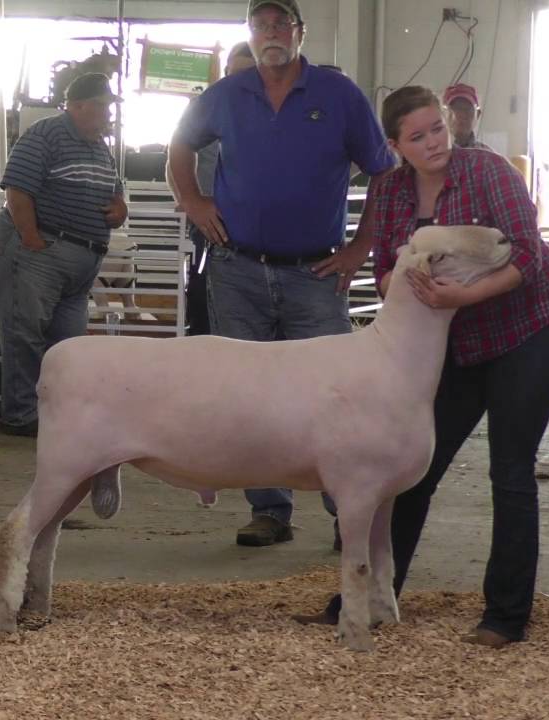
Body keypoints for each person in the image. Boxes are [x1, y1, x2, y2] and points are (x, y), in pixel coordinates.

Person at [292, 85, 549, 647]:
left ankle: (504, 616)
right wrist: (403, 286)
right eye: (418, 135)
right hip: (458, 344)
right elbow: (385, 270)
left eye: (438, 129)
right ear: (397, 144)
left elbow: (527, 251)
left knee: (511, 470)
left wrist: (459, 298)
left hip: (529, 330)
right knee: (410, 469)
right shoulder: (392, 190)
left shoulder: (490, 172)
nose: (434, 142)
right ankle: (373, 595)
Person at [167, 0, 396, 547]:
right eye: (261, 24)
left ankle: (348, 513)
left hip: (315, 271)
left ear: (300, 32)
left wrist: (362, 244)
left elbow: (384, 170)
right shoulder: (226, 95)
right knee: (251, 396)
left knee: (333, 393)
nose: (271, 33)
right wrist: (193, 200)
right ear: (250, 32)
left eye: (281, 24)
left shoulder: (338, 95)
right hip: (238, 267)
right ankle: (270, 510)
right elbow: (179, 144)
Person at [0, 72, 128, 437]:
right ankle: (22, 415)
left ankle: (58, 414)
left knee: (68, 343)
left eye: (109, 106)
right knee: (26, 330)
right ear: (77, 106)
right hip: (44, 249)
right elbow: (18, 190)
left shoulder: (101, 147)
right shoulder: (46, 134)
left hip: (80, 261)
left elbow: (116, 195)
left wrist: (119, 210)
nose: (107, 114)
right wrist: (31, 238)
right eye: (102, 106)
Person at [171, 42, 256, 337]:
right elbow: (175, 156)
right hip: (209, 222)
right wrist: (188, 200)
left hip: (256, 225)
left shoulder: (272, 110)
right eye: (234, 72)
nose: (239, 80)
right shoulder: (205, 105)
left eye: (249, 73)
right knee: (201, 296)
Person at [442, 83, 494, 152]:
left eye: (467, 109)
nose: (461, 115)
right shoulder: (435, 154)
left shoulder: (487, 157)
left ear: (477, 115)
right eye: (455, 109)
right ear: (443, 115)